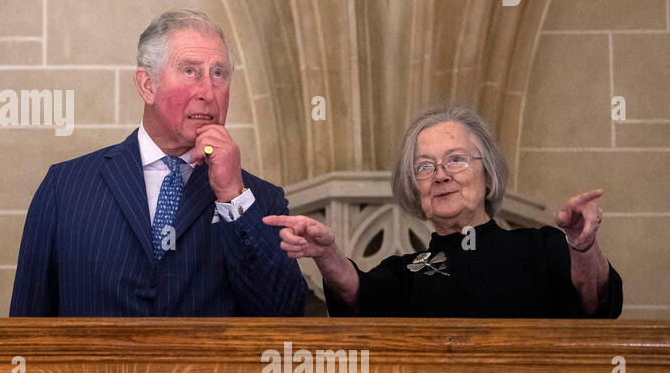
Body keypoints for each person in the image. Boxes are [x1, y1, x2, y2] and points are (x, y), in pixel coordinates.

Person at [9, 9, 306, 317]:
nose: (207, 91)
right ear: (147, 85)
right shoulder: (66, 187)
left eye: (218, 74)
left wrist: (232, 195)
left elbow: (284, 317)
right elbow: (25, 327)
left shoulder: (260, 199)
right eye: (190, 71)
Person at [264, 106, 621, 318]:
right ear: (416, 192)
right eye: (424, 167)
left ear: (488, 176)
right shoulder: (406, 273)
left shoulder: (541, 247)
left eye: (456, 160)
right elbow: (359, 298)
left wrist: (583, 245)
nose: (441, 175)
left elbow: (594, 306)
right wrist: (327, 254)